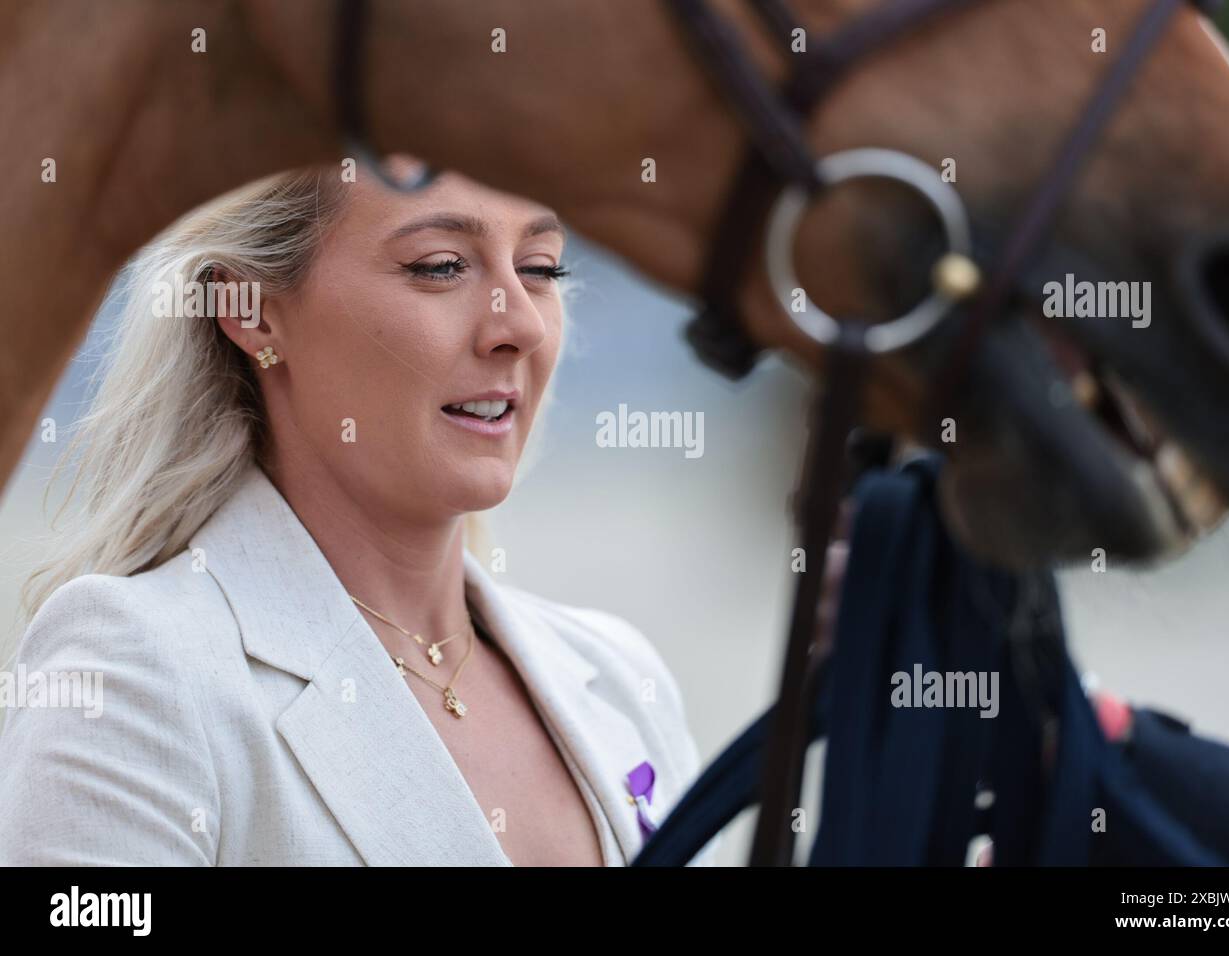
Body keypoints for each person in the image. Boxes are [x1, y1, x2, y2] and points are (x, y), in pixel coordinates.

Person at [0, 158, 717, 867]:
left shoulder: (618, 675)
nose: (521, 324)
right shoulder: (133, 674)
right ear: (250, 311)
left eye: (541, 269)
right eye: (440, 267)